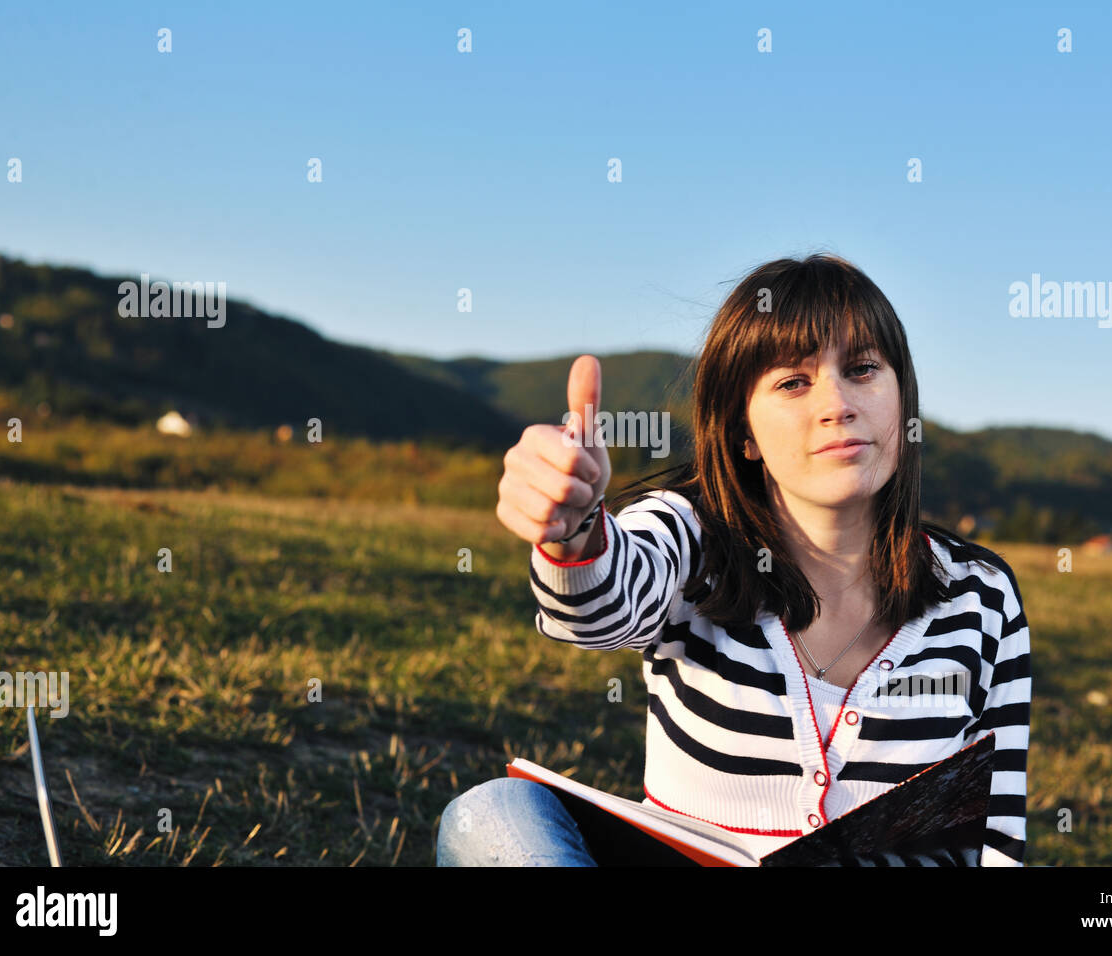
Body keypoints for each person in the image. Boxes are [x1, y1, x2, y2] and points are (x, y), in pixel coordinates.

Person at [438, 253, 1031, 867]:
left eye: (862, 370)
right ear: (744, 432)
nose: (837, 403)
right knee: (495, 813)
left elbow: (998, 836)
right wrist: (576, 530)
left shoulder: (980, 593)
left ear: (902, 398)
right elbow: (599, 607)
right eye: (793, 382)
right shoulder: (690, 535)